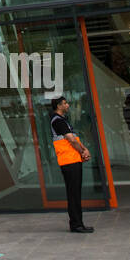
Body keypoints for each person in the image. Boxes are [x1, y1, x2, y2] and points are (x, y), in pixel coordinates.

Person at [49, 94, 94, 233]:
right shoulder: (58, 121)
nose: (67, 105)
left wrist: (84, 150)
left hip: (73, 159)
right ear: (59, 106)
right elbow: (71, 140)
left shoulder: (63, 120)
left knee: (75, 193)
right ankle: (76, 224)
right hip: (69, 161)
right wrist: (83, 151)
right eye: (65, 103)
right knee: (73, 193)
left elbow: (74, 138)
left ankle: (78, 223)